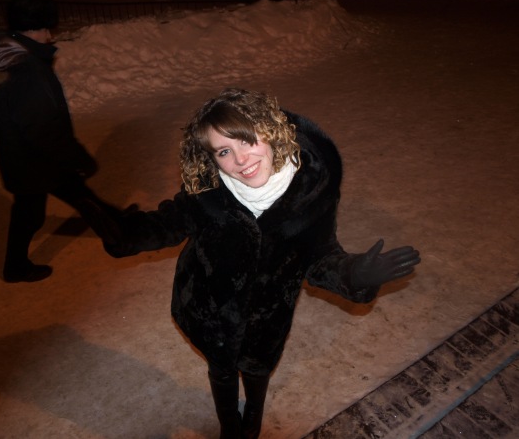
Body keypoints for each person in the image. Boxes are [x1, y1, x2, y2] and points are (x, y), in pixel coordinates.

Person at [93, 88, 421, 438]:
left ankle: (252, 414)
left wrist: (356, 274)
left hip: (268, 315)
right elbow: (167, 223)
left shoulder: (309, 196)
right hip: (209, 308)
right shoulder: (207, 191)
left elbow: (320, 258)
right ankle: (228, 422)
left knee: (257, 369)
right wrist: (126, 235)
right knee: (220, 368)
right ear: (212, 159)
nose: (240, 160)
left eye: (246, 140)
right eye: (224, 151)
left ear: (270, 131)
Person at [0, 0, 116, 283]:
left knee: (77, 193)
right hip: (34, 158)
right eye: (45, 28)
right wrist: (76, 156)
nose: (50, 36)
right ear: (30, 29)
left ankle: (119, 225)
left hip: (25, 154)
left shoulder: (5, 55)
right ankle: (15, 267)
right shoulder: (25, 68)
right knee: (33, 213)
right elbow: (42, 126)